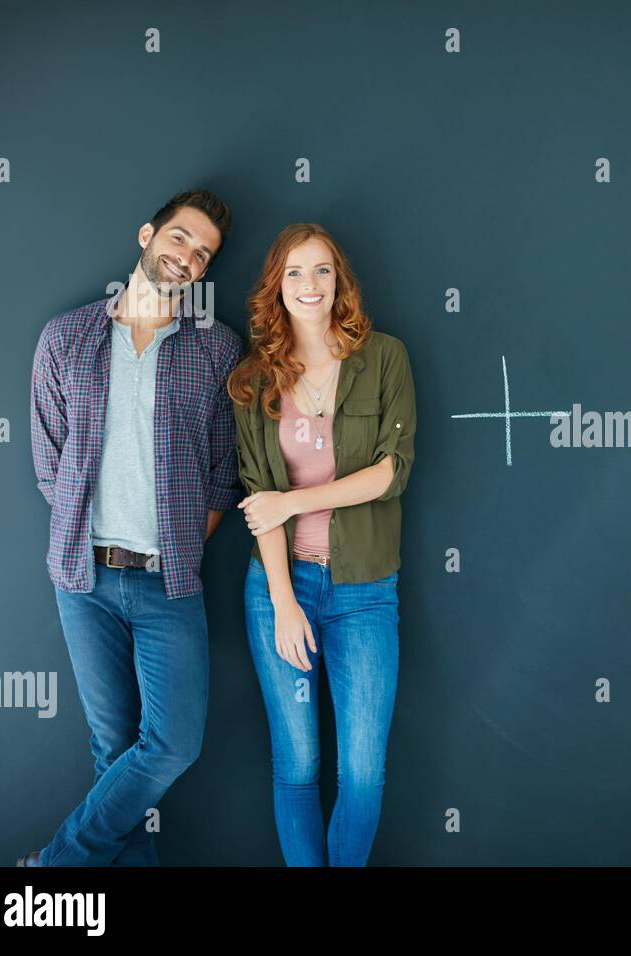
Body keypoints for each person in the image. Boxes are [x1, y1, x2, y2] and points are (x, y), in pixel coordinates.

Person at [21, 188, 242, 866]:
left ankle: (59, 867)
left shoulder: (217, 349)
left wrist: (176, 545)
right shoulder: (66, 338)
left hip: (167, 584)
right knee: (113, 751)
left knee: (173, 744)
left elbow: (222, 475)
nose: (187, 257)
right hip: (82, 578)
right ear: (148, 235)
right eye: (180, 239)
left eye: (202, 253)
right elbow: (48, 460)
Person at [227, 223, 416, 866]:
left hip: (366, 588)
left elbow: (392, 471)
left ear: (341, 283)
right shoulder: (253, 381)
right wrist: (282, 602)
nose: (310, 285)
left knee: (362, 772)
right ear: (276, 288)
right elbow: (258, 502)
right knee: (299, 764)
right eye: (295, 273)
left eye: (322, 271)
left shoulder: (385, 357)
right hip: (282, 588)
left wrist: (296, 500)